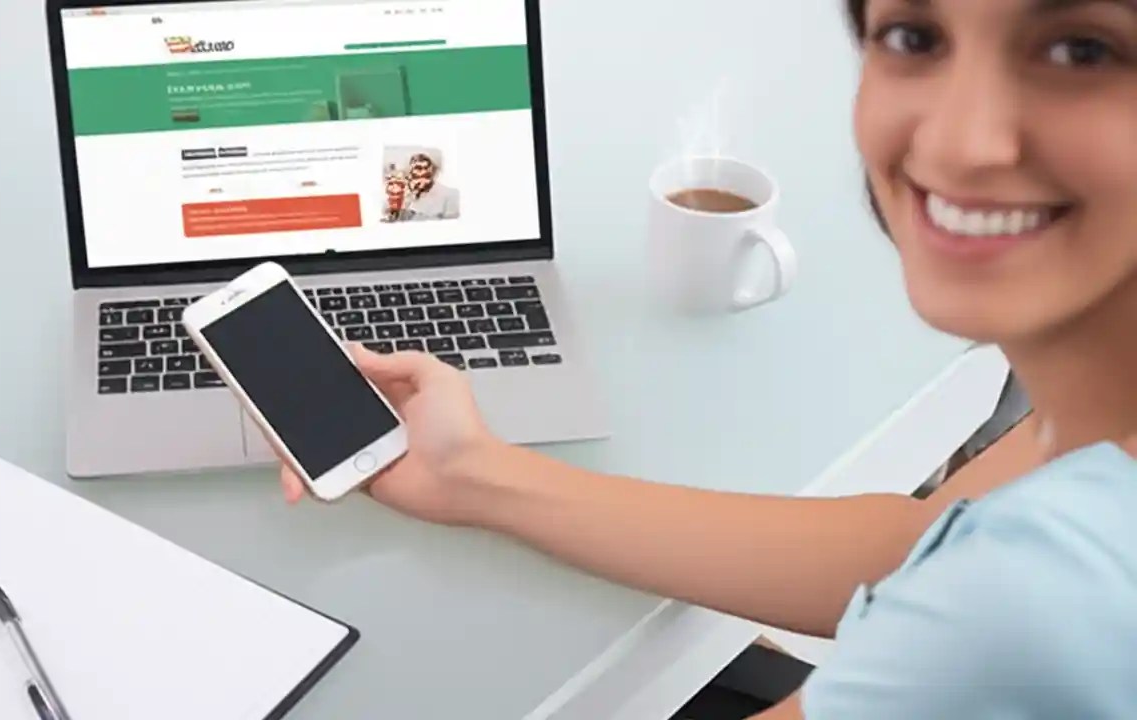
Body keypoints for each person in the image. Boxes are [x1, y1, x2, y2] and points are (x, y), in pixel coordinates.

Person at [280, 0, 1137, 716]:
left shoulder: (1043, 598)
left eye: (1080, 50)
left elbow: (983, 595)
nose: (958, 143)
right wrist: (477, 475)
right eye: (916, 37)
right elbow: (919, 553)